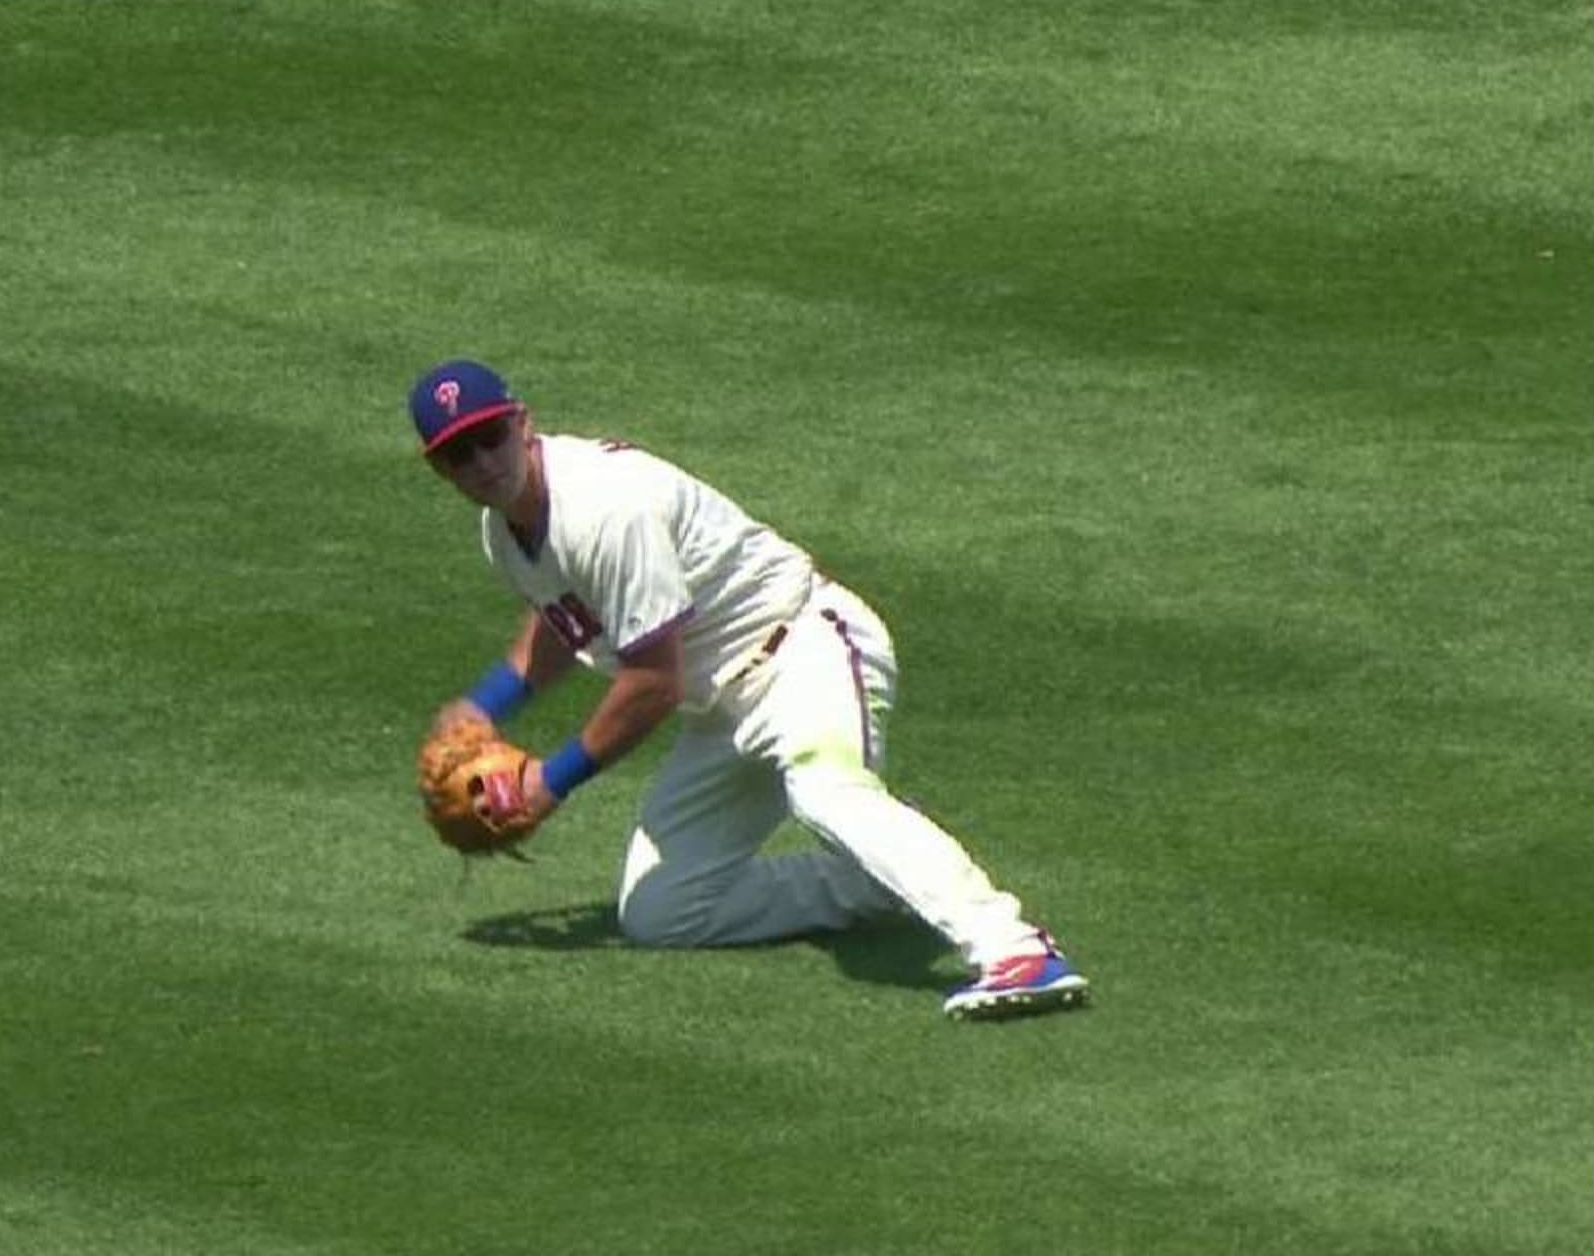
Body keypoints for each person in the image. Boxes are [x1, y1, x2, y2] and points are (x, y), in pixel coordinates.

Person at [408, 358, 1087, 1020]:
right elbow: (569, 612)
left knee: (825, 792)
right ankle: (877, 876)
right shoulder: (503, 530)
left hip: (802, 650)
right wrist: (484, 706)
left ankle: (1016, 949)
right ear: (440, 469)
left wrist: (550, 782)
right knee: (662, 911)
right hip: (723, 709)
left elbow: (654, 683)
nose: (483, 462)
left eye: (490, 437)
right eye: (460, 454)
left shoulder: (604, 507)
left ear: (523, 424)